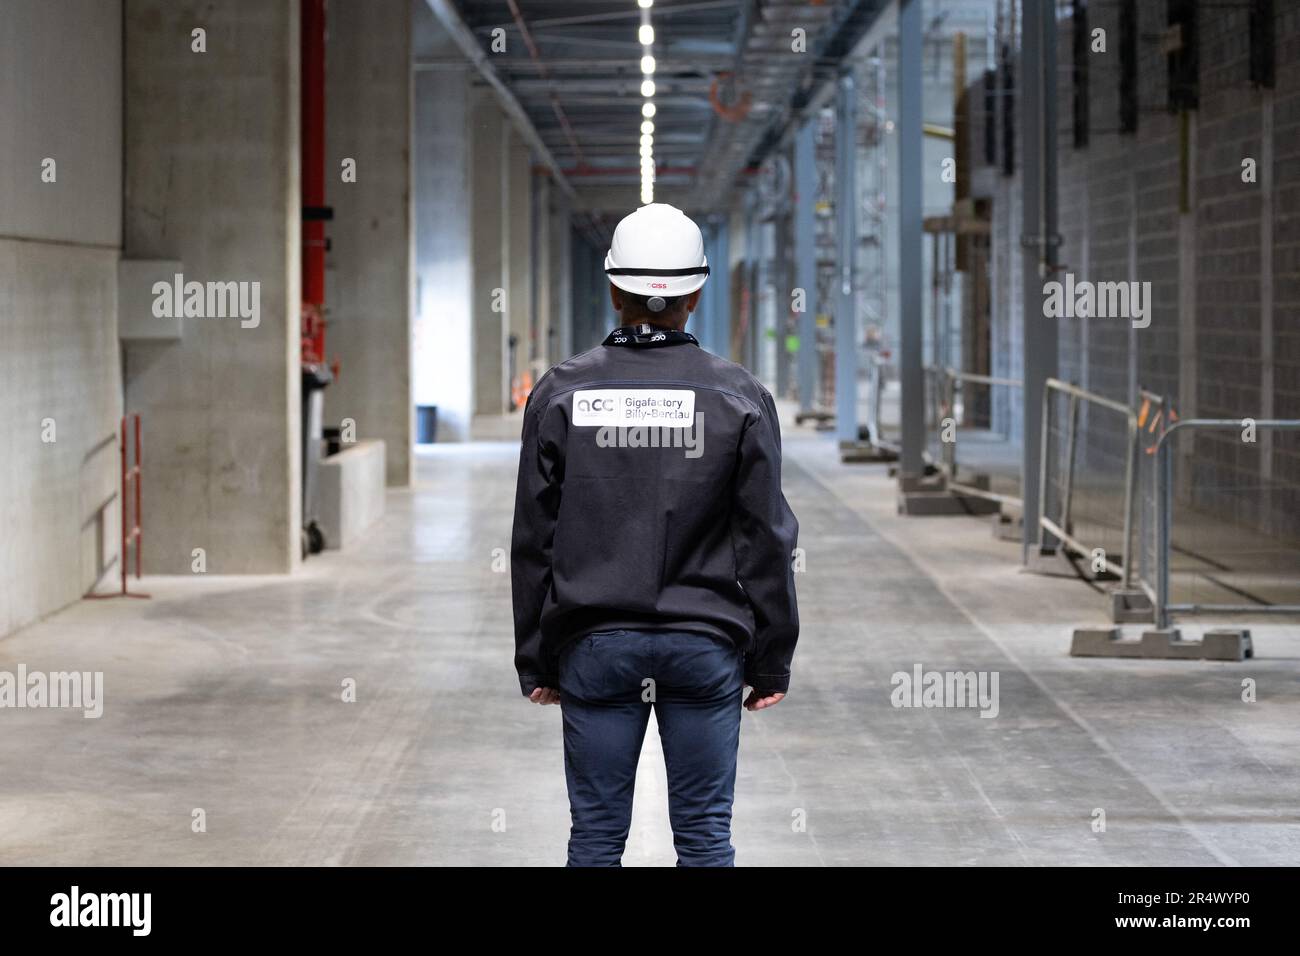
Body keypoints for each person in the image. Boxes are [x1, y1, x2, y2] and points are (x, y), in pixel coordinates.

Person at [511, 202, 800, 867]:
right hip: (704, 646)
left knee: (595, 839)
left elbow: (534, 538)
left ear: (614, 289)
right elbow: (766, 537)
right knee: (703, 840)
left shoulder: (560, 394)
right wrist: (771, 656)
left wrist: (536, 655)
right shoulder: (740, 395)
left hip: (595, 646)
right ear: (695, 294)